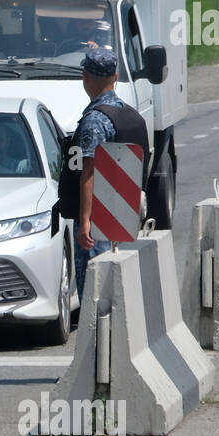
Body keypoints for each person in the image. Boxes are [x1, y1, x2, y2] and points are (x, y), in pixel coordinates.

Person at [56, 47, 150, 299]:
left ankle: (100, 338)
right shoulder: (131, 116)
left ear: (85, 77)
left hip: (99, 223)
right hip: (126, 218)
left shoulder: (95, 120)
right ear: (115, 76)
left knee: (95, 292)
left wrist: (85, 221)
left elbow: (89, 172)